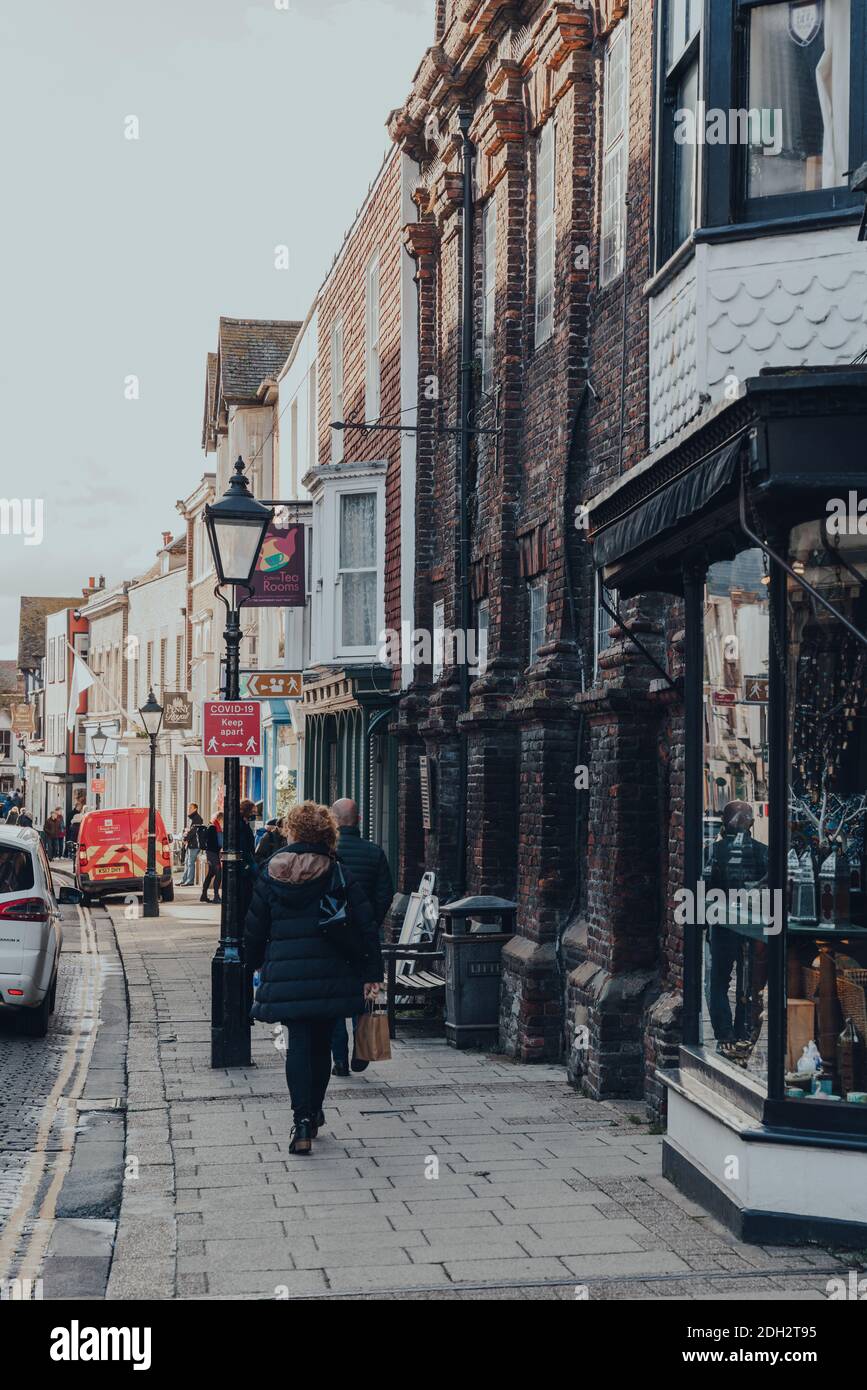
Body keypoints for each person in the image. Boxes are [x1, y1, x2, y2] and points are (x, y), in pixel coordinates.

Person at [244, 801, 383, 1155]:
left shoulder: (269, 872)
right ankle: (314, 1110)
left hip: (288, 973)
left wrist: (253, 966)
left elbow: (254, 928)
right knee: (321, 1045)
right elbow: (365, 927)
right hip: (332, 973)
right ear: (326, 832)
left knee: (299, 1044)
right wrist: (372, 974)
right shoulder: (338, 872)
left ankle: (302, 1119)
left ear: (292, 830)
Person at [329, 797, 395, 1076]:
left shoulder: (327, 853)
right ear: (358, 820)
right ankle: (361, 1049)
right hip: (364, 937)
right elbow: (385, 894)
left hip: (332, 937)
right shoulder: (374, 853)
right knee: (363, 992)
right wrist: (372, 922)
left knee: (332, 999)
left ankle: (339, 1060)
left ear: (334, 820)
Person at [705, 800, 769, 1065]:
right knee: (748, 982)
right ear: (751, 824)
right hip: (752, 927)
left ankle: (726, 1035)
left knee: (718, 981)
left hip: (722, 925)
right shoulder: (763, 853)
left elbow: (706, 890)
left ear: (724, 823)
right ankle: (741, 1032)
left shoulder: (714, 852)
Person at [180, 803, 205, 887]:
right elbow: (186, 830)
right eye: (188, 808)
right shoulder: (190, 819)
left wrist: (185, 839)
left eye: (190, 808)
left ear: (195, 809)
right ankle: (184, 880)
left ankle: (190, 881)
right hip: (189, 844)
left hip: (194, 844)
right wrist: (184, 837)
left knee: (190, 863)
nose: (188, 809)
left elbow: (192, 832)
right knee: (187, 862)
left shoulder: (197, 819)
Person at [201, 812, 223, 903]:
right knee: (218, 874)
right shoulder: (214, 827)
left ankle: (204, 895)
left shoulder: (212, 826)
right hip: (212, 854)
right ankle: (216, 896)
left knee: (210, 874)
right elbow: (217, 842)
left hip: (211, 853)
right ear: (220, 819)